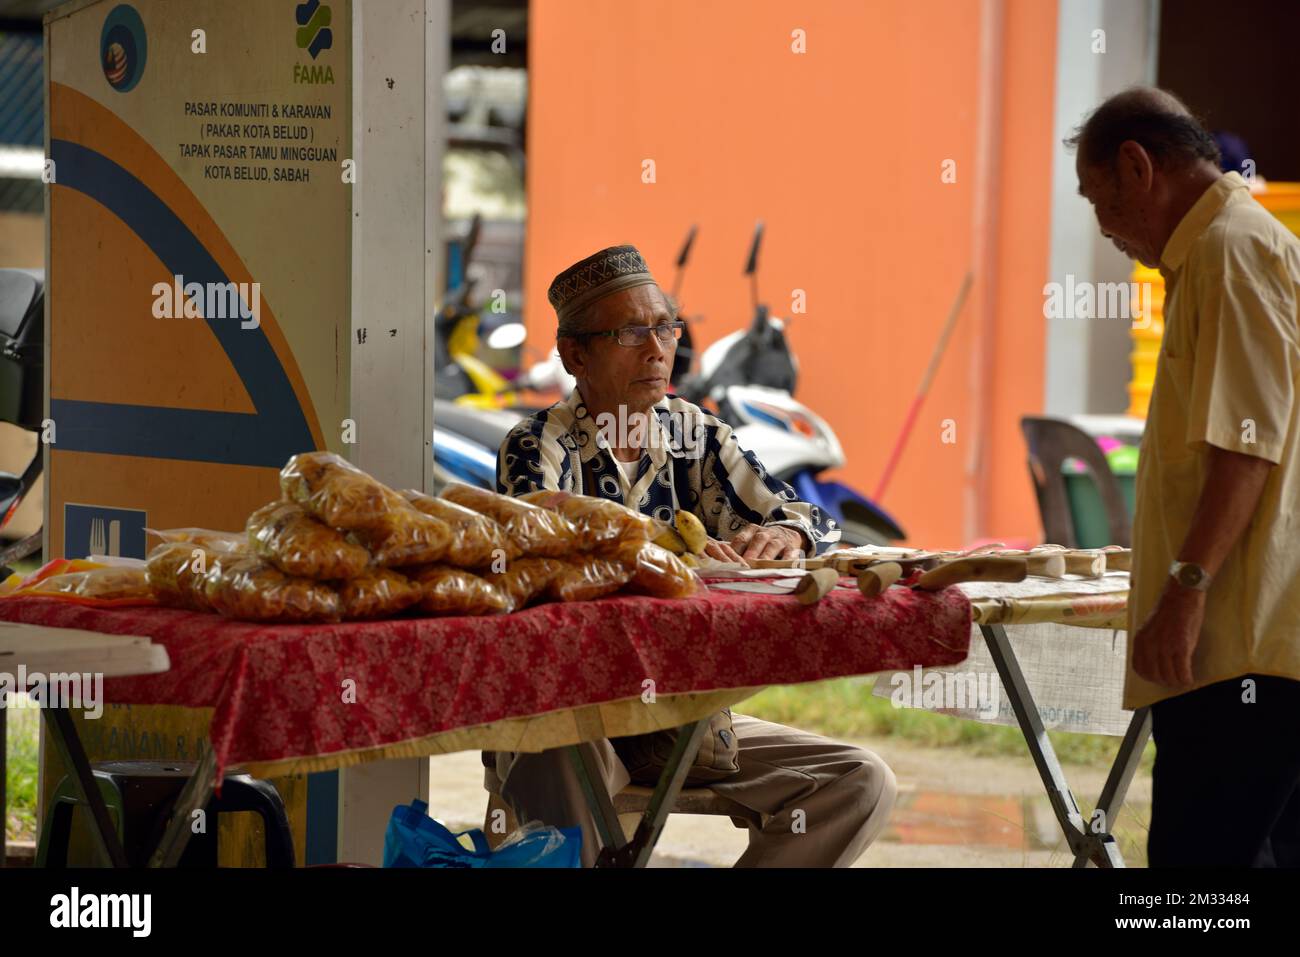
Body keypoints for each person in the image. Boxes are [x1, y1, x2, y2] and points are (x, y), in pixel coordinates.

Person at [485, 243, 896, 867]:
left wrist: (784, 536)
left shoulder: (695, 433)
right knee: (562, 764)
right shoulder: (537, 444)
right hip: (572, 709)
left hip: (680, 720)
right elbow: (547, 548)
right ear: (575, 354)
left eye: (665, 327)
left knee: (857, 782)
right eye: (630, 332)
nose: (657, 349)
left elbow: (801, 514)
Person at [1068, 87, 1300, 866]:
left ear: (1138, 167)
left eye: (1098, 200)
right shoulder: (1221, 249)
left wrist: (1185, 591)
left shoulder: (1232, 250)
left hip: (1243, 647)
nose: (1105, 230)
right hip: (1253, 645)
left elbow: (1246, 448)